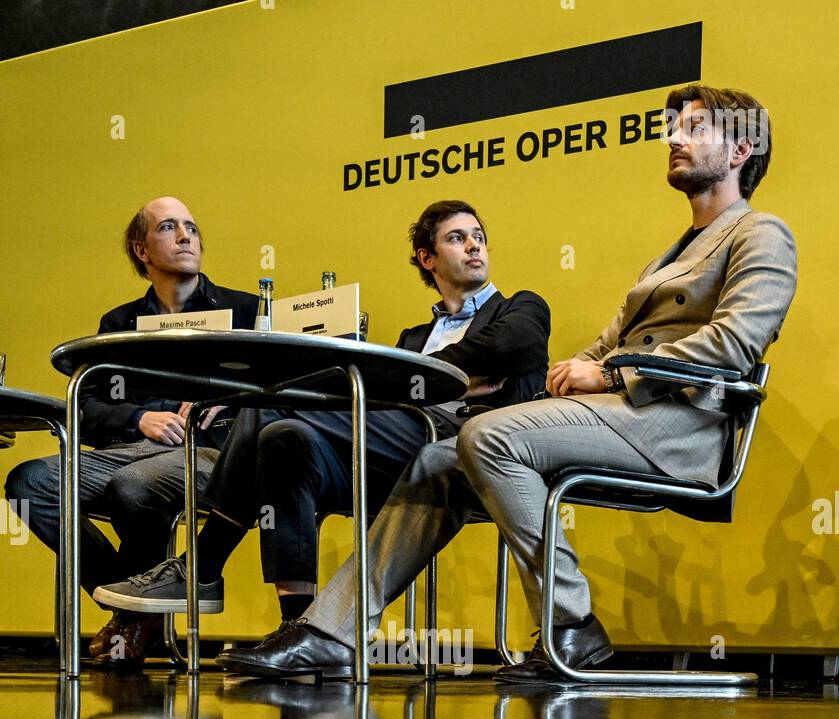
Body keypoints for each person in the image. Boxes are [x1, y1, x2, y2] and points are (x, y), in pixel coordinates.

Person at [221, 84, 798, 682]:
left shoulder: (762, 234)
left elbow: (734, 344)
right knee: (438, 460)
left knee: (487, 438)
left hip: (678, 428)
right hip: (623, 414)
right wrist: (578, 369)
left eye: (696, 128)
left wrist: (607, 372)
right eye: (673, 127)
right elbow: (610, 339)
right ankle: (332, 632)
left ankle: (570, 625)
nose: (675, 137)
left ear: (740, 150)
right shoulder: (666, 258)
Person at [91, 200, 550, 642]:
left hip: (459, 449)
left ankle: (203, 566)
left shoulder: (521, 308)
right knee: (283, 437)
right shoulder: (413, 338)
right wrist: (440, 380)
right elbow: (383, 398)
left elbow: (509, 348)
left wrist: (415, 381)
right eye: (457, 238)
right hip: (390, 453)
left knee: (270, 404)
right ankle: (300, 629)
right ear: (427, 258)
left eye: (478, 237)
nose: (473, 246)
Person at [4, 197, 258, 667]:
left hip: (214, 453)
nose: (186, 236)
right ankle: (132, 608)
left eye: (192, 227)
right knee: (28, 483)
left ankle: (133, 618)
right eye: (169, 227)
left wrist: (240, 398)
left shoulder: (247, 311)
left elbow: (285, 391)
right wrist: (139, 418)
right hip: (132, 447)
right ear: (142, 250)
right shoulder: (119, 324)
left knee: (134, 486)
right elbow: (88, 406)